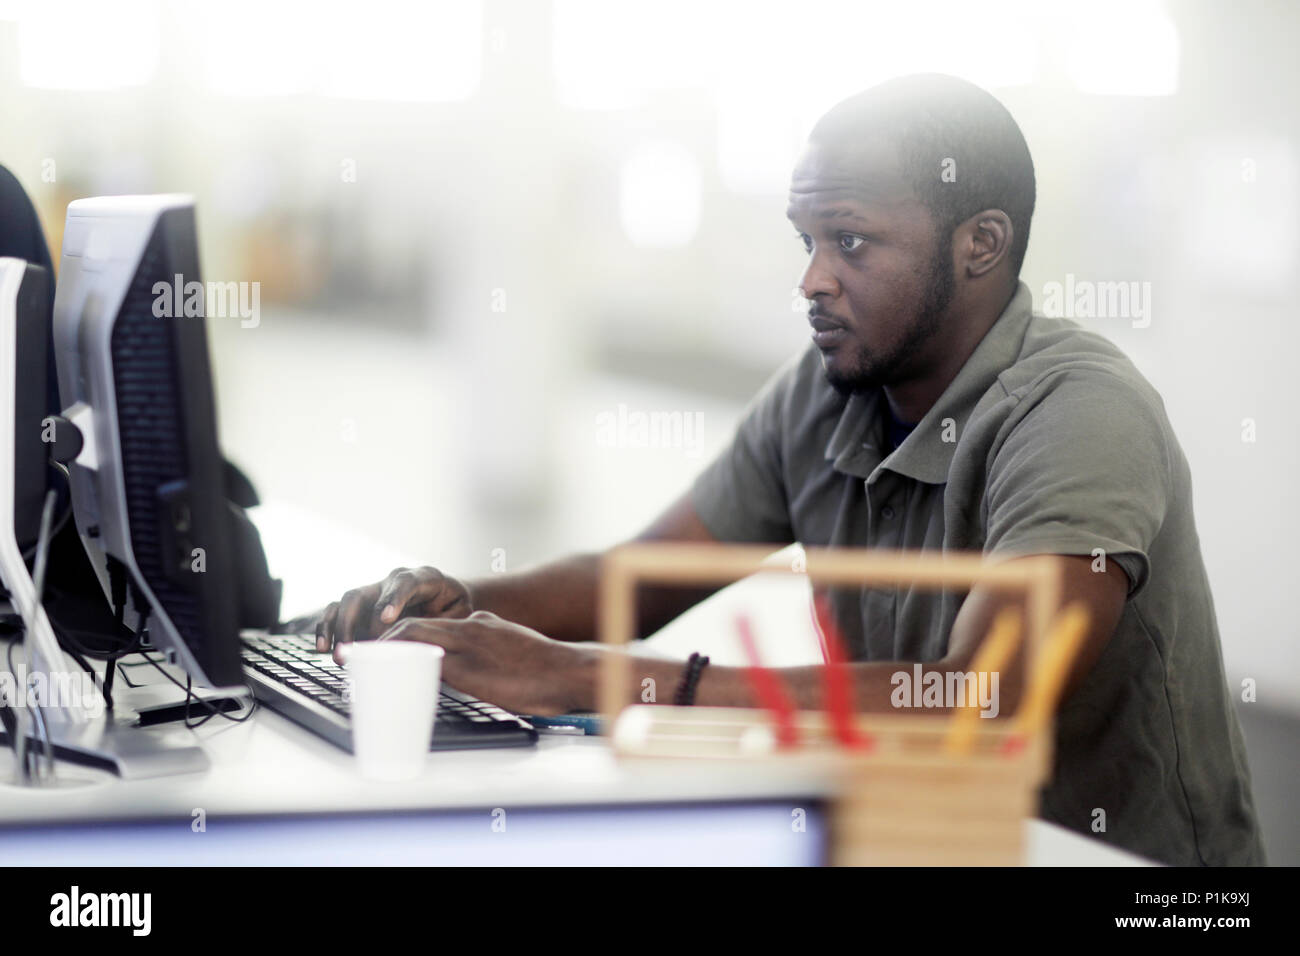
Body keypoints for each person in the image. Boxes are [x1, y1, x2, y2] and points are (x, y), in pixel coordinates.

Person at [316, 75, 1264, 866]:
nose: (812, 277)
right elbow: (632, 580)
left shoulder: (1080, 412)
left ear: (982, 243)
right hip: (916, 835)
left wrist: (582, 678)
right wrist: (452, 607)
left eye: (849, 241)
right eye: (804, 240)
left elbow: (978, 699)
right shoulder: (829, 389)